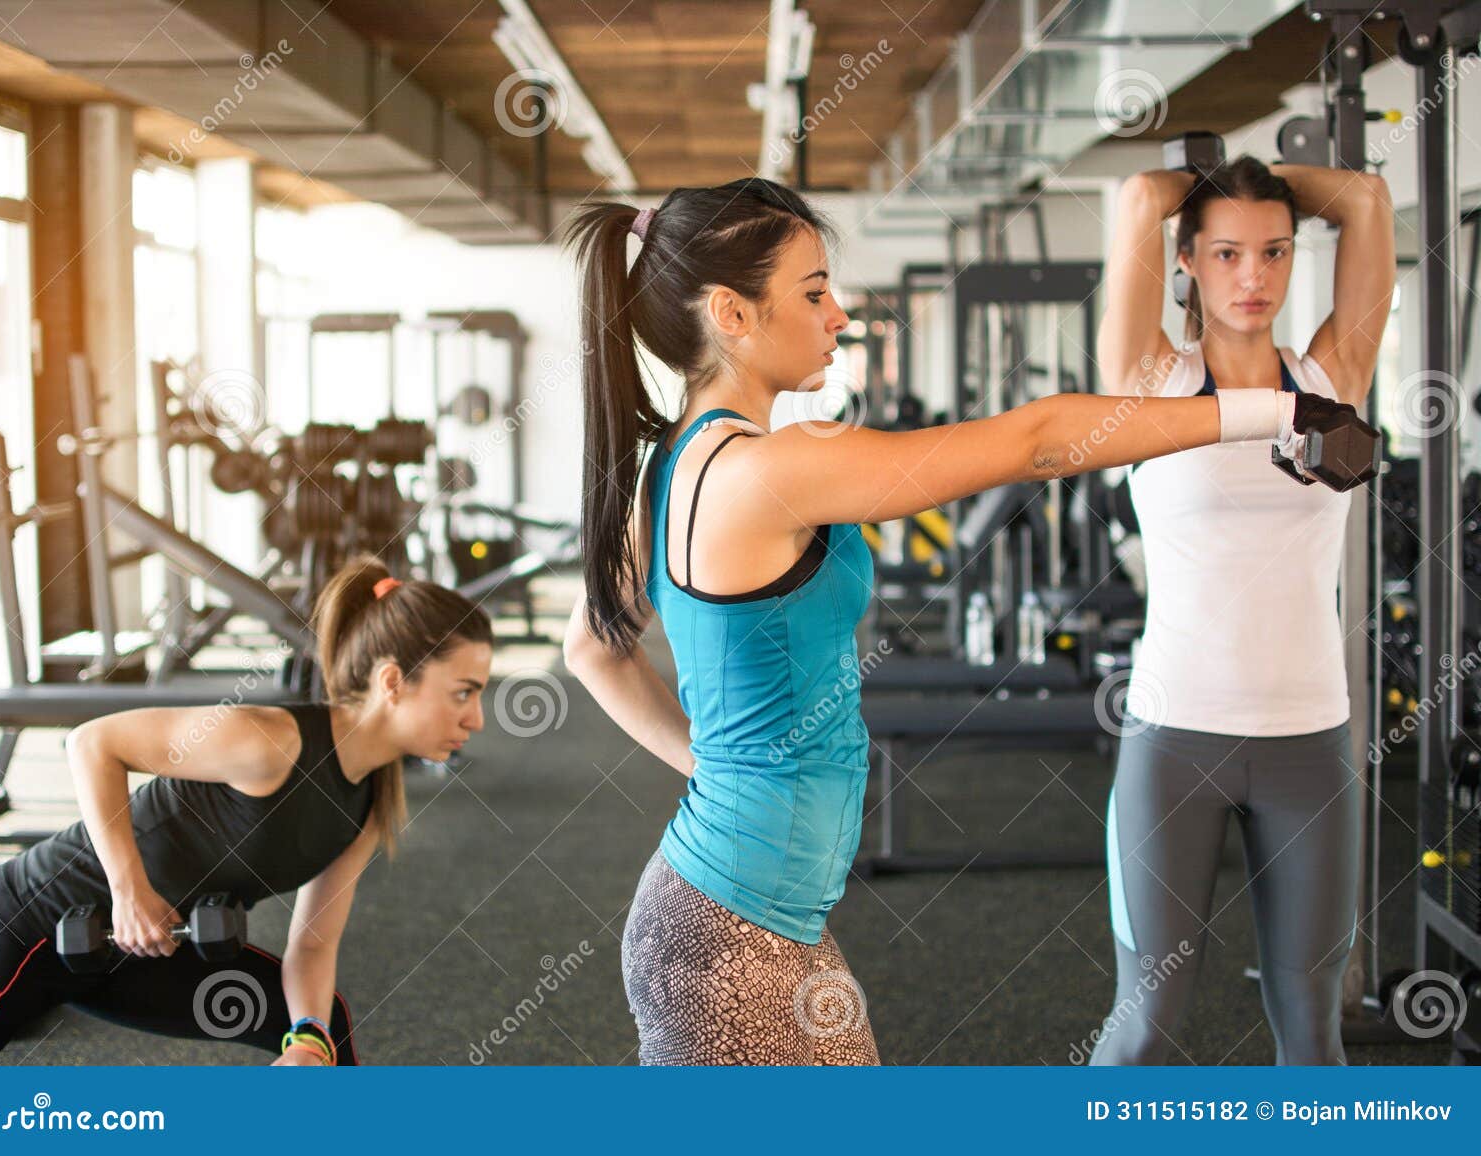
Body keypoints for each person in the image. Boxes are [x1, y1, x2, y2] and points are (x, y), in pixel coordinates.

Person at [559, 176, 1373, 1065]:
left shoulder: (671, 466)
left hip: (744, 914)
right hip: (729, 938)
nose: (837, 316)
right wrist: (1282, 411)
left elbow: (590, 649)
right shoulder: (776, 468)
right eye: (814, 291)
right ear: (732, 313)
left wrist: (717, 769)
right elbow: (1038, 441)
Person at [0, 557, 491, 1066]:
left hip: (121, 958)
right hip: (15, 927)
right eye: (463, 692)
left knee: (321, 1024)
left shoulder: (367, 801)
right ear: (393, 681)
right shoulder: (269, 742)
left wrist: (306, 1040)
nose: (476, 719)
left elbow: (312, 945)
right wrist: (128, 890)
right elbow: (93, 744)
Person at [1086, 156, 1394, 1065]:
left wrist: (1270, 180)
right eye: (1224, 253)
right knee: (1146, 1026)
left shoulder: (1331, 376)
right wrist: (1212, 170)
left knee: (1312, 1030)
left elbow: (1369, 200)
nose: (1253, 276)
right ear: (1185, 261)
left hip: (1310, 742)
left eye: (1274, 251)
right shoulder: (1149, 384)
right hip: (1176, 737)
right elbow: (1141, 195)